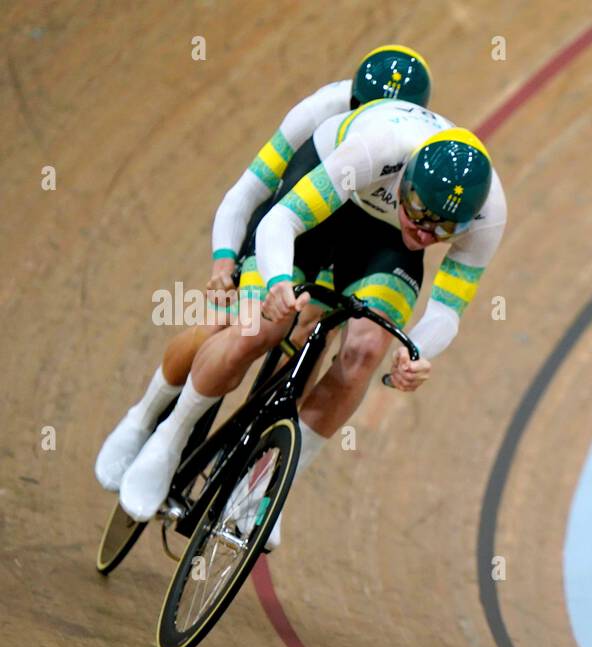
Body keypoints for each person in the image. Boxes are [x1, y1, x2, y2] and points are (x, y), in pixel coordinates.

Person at [95, 46, 434, 542]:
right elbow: (249, 190)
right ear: (353, 103)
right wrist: (224, 258)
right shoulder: (322, 110)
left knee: (316, 321)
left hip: (370, 233)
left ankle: (260, 475)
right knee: (236, 322)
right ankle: (145, 419)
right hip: (303, 208)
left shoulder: (415, 152)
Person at [116, 97, 506, 527]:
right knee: (257, 329)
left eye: (445, 229)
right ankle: (169, 439)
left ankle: (272, 485)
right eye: (420, 213)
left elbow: (448, 310)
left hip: (384, 243)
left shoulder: (487, 215)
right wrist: (279, 282)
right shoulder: (375, 148)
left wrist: (415, 352)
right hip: (324, 206)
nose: (426, 232)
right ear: (407, 181)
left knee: (364, 352)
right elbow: (281, 221)